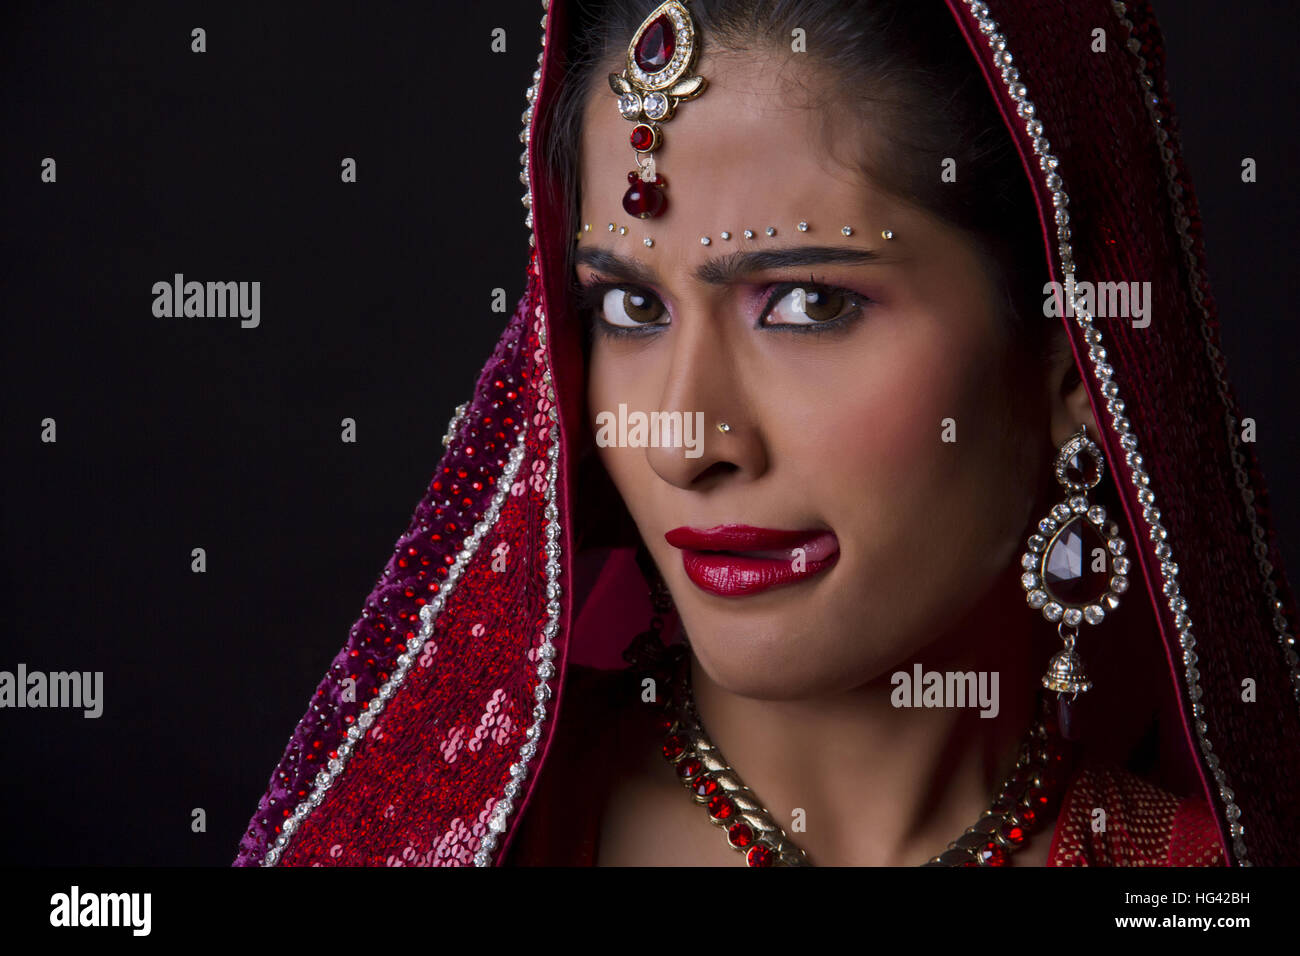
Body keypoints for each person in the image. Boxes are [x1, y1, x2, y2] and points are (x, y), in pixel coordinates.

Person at [233, 0, 1300, 867]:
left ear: (1072, 368)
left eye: (806, 304)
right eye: (629, 309)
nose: (682, 441)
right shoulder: (473, 840)